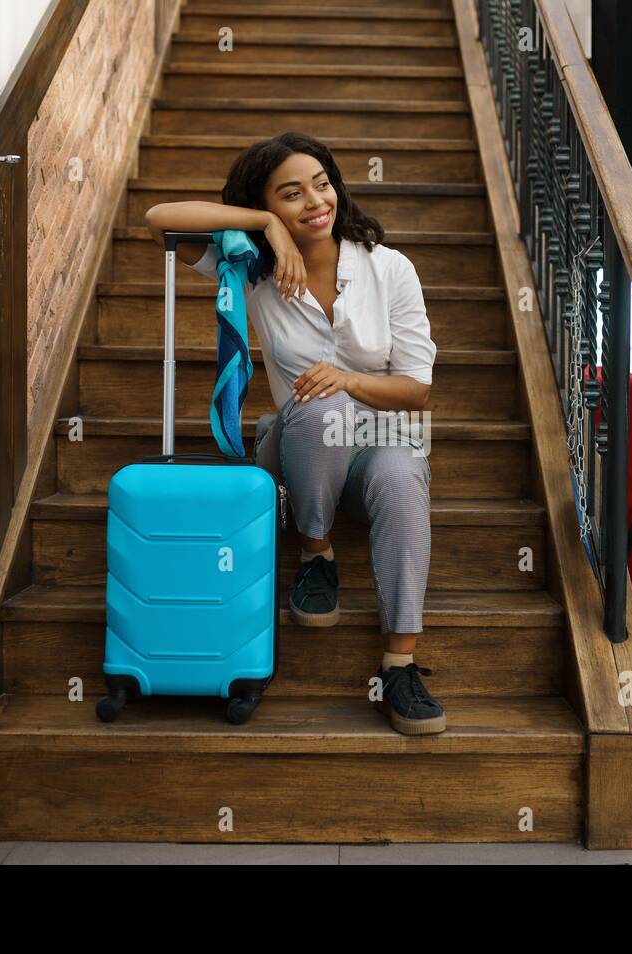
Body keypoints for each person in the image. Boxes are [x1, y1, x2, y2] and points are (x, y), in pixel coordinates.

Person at [143, 132, 445, 735]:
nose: (314, 200)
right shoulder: (251, 268)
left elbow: (417, 390)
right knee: (316, 404)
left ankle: (399, 664)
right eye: (290, 194)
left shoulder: (388, 267)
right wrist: (265, 227)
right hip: (301, 443)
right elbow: (159, 220)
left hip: (383, 439)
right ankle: (316, 554)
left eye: (322, 183)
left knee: (404, 474)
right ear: (267, 206)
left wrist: (350, 378)